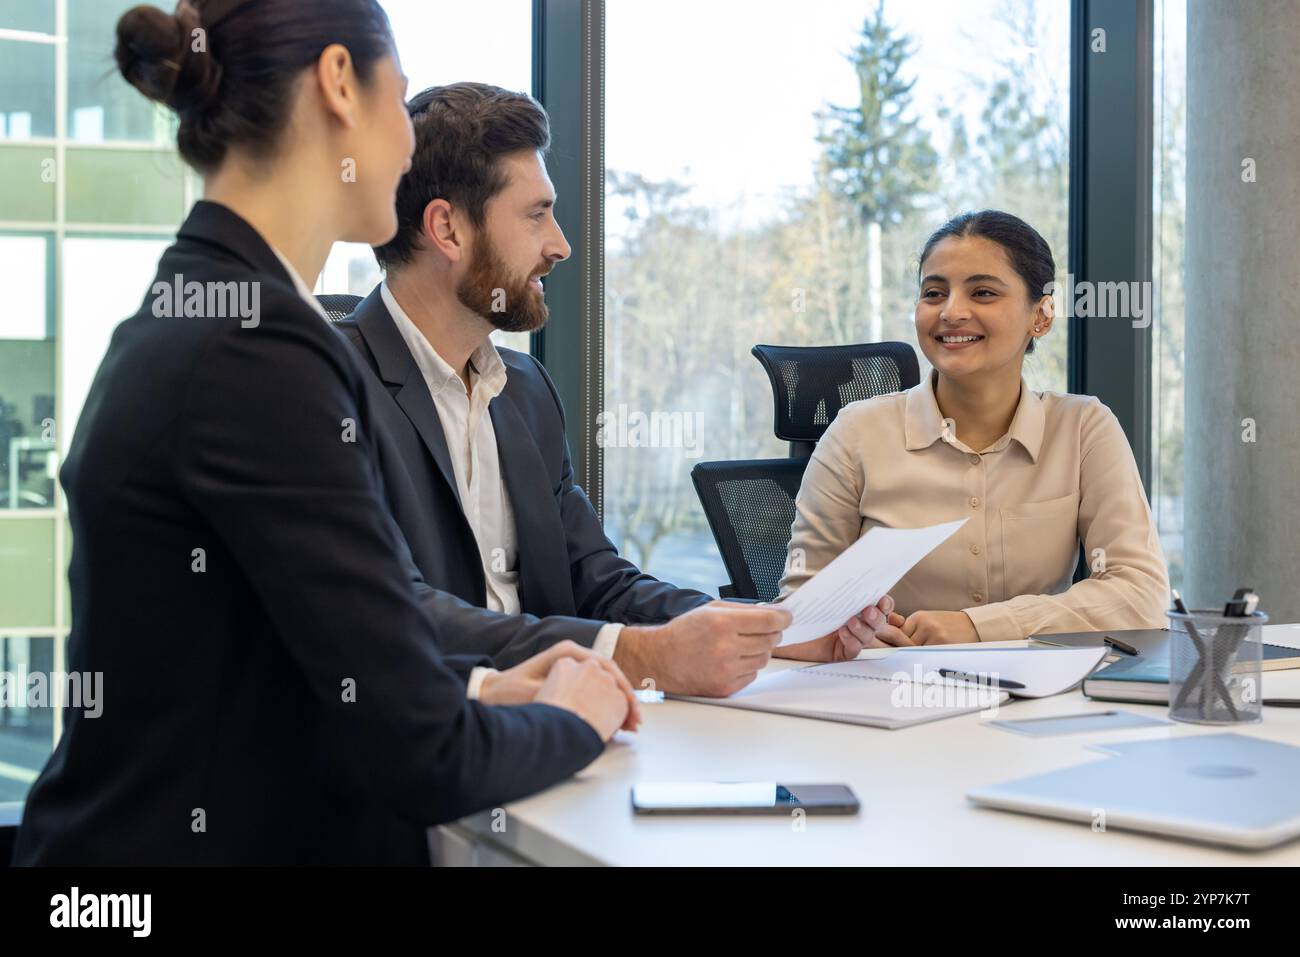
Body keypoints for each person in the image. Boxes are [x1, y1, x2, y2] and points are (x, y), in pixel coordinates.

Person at [14, 0, 638, 866]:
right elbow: (423, 753)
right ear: (340, 84)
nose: (411, 145)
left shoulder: (205, 308)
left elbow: (294, 657)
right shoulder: (259, 350)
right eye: (401, 100)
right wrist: (574, 714)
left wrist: (488, 684)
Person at [338, 82, 858, 696]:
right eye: (535, 214)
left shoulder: (524, 389)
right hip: (428, 746)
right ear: (447, 229)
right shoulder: (329, 385)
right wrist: (644, 656)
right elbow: (392, 613)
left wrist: (762, 632)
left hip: (555, 731)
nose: (560, 245)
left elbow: (596, 580)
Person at [777, 210, 1168, 654]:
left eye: (982, 292)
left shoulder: (1083, 428)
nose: (951, 312)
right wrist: (848, 635)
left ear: (1040, 315)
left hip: (1037, 697)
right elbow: (799, 615)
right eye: (933, 292)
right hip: (892, 691)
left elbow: (1140, 595)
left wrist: (978, 626)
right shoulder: (857, 433)